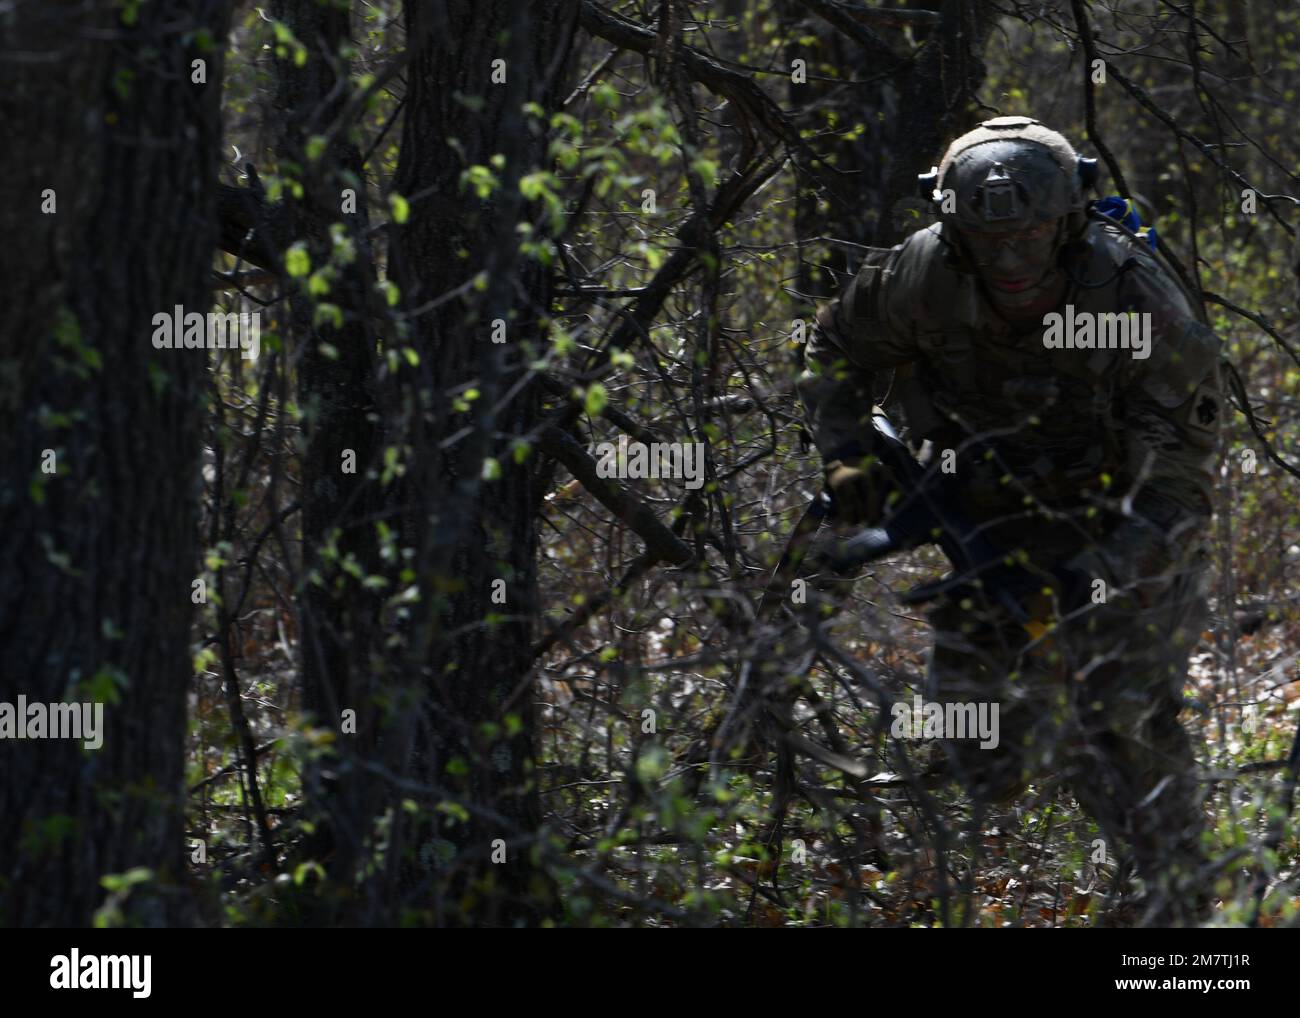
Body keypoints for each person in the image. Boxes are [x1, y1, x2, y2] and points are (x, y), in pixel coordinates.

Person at [798, 116, 1224, 926]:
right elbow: (830, 350)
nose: (1011, 260)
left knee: (1123, 716)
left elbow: (1183, 472)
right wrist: (847, 455)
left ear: (1064, 224)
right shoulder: (919, 275)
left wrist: (1107, 568)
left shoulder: (1130, 294)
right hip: (987, 516)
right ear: (955, 232)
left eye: (1029, 234)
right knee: (979, 743)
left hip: (1122, 522)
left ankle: (1179, 914)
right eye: (988, 239)